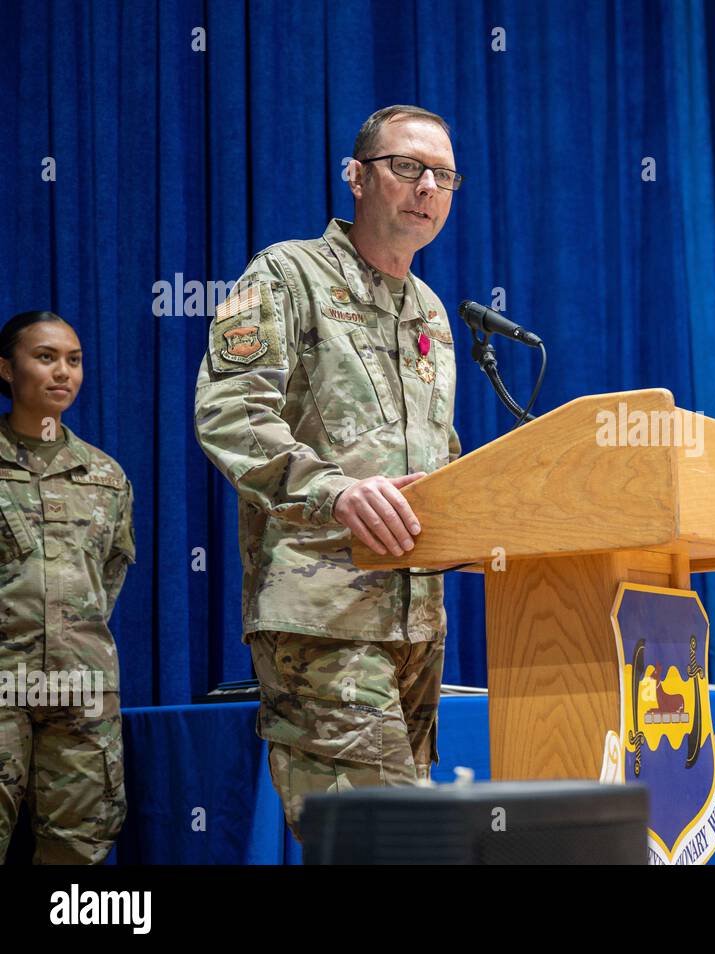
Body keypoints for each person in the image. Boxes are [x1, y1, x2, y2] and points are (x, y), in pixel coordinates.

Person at [193, 105, 464, 839]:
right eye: (405, 167)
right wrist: (334, 491)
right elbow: (231, 415)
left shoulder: (434, 314)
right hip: (323, 618)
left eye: (442, 175)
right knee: (386, 844)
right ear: (356, 177)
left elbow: (438, 453)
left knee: (392, 841)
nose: (425, 187)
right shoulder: (286, 275)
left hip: (417, 625)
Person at [0, 310, 136, 863]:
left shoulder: (106, 476)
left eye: (74, 361)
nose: (63, 373)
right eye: (45, 357)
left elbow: (108, 579)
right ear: (7, 370)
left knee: (79, 847)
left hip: (81, 689)